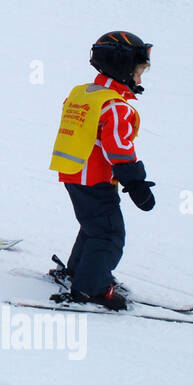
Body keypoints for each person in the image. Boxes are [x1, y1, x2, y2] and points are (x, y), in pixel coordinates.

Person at [46, 31, 156, 310]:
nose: (140, 80)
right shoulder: (115, 106)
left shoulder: (85, 93)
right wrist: (136, 183)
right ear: (122, 68)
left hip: (74, 173)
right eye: (138, 72)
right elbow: (118, 149)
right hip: (94, 179)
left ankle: (79, 272)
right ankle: (91, 288)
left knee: (94, 227)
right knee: (109, 234)